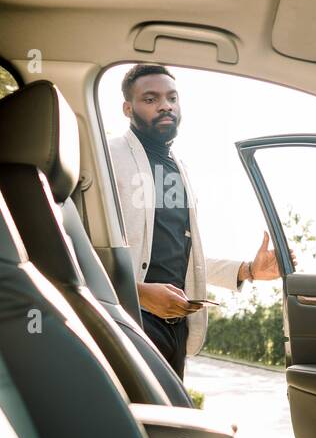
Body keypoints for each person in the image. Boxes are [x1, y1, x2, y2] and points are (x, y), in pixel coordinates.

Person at [108, 63, 289, 378]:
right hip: (131, 321)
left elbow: (184, 255)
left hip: (176, 326)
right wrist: (138, 293)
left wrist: (248, 270)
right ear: (128, 108)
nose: (165, 105)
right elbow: (80, 247)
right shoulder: (109, 157)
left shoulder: (178, 167)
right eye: (150, 99)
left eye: (172, 98)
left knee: (164, 422)